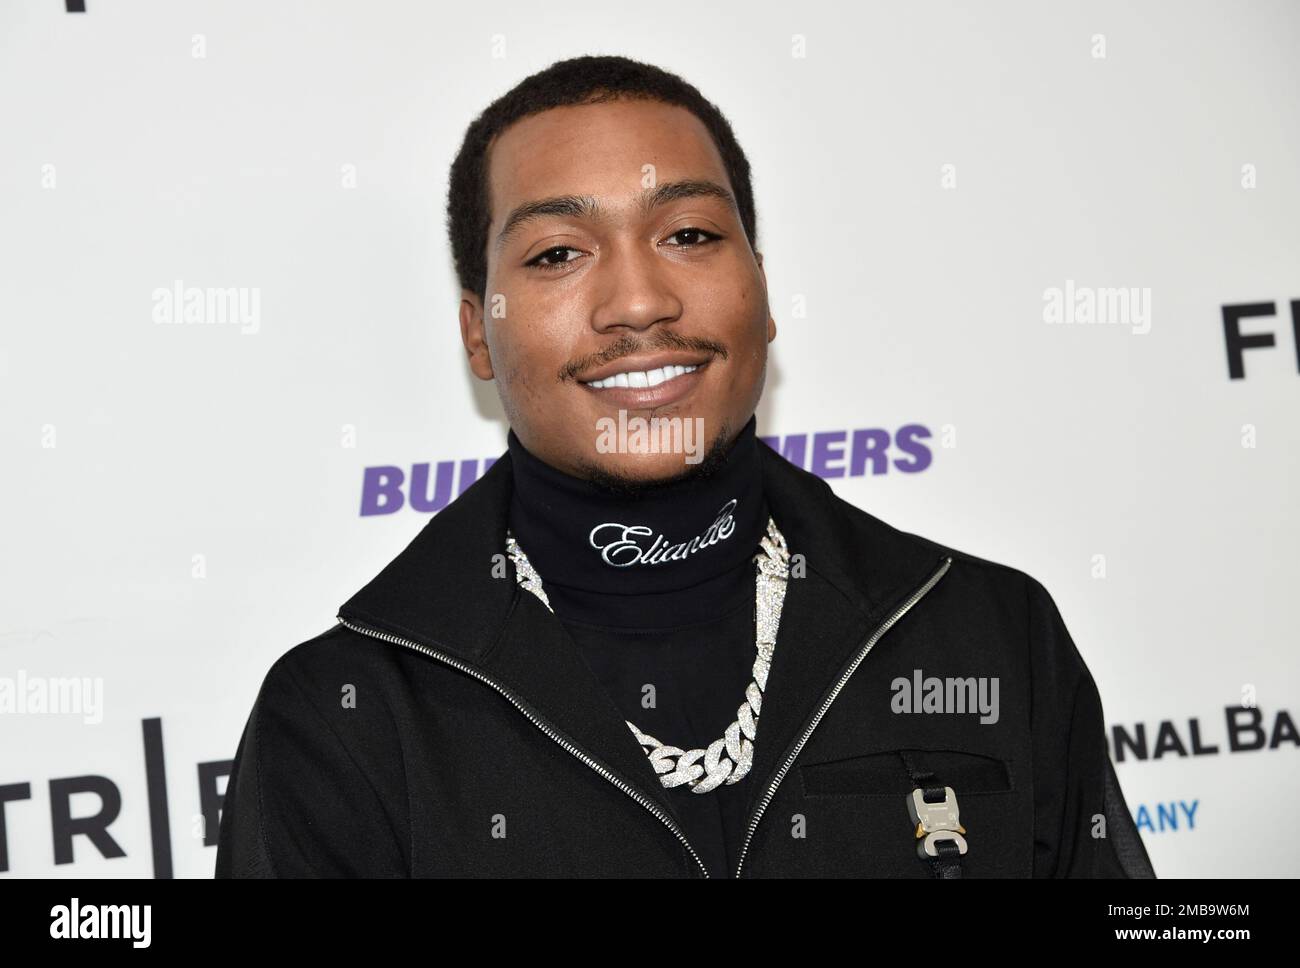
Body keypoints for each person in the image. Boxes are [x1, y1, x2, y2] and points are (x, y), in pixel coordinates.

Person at [215, 54, 1155, 879]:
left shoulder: (988, 634)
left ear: (761, 282)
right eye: (557, 252)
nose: (639, 300)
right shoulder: (347, 718)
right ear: (478, 333)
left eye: (691, 235)